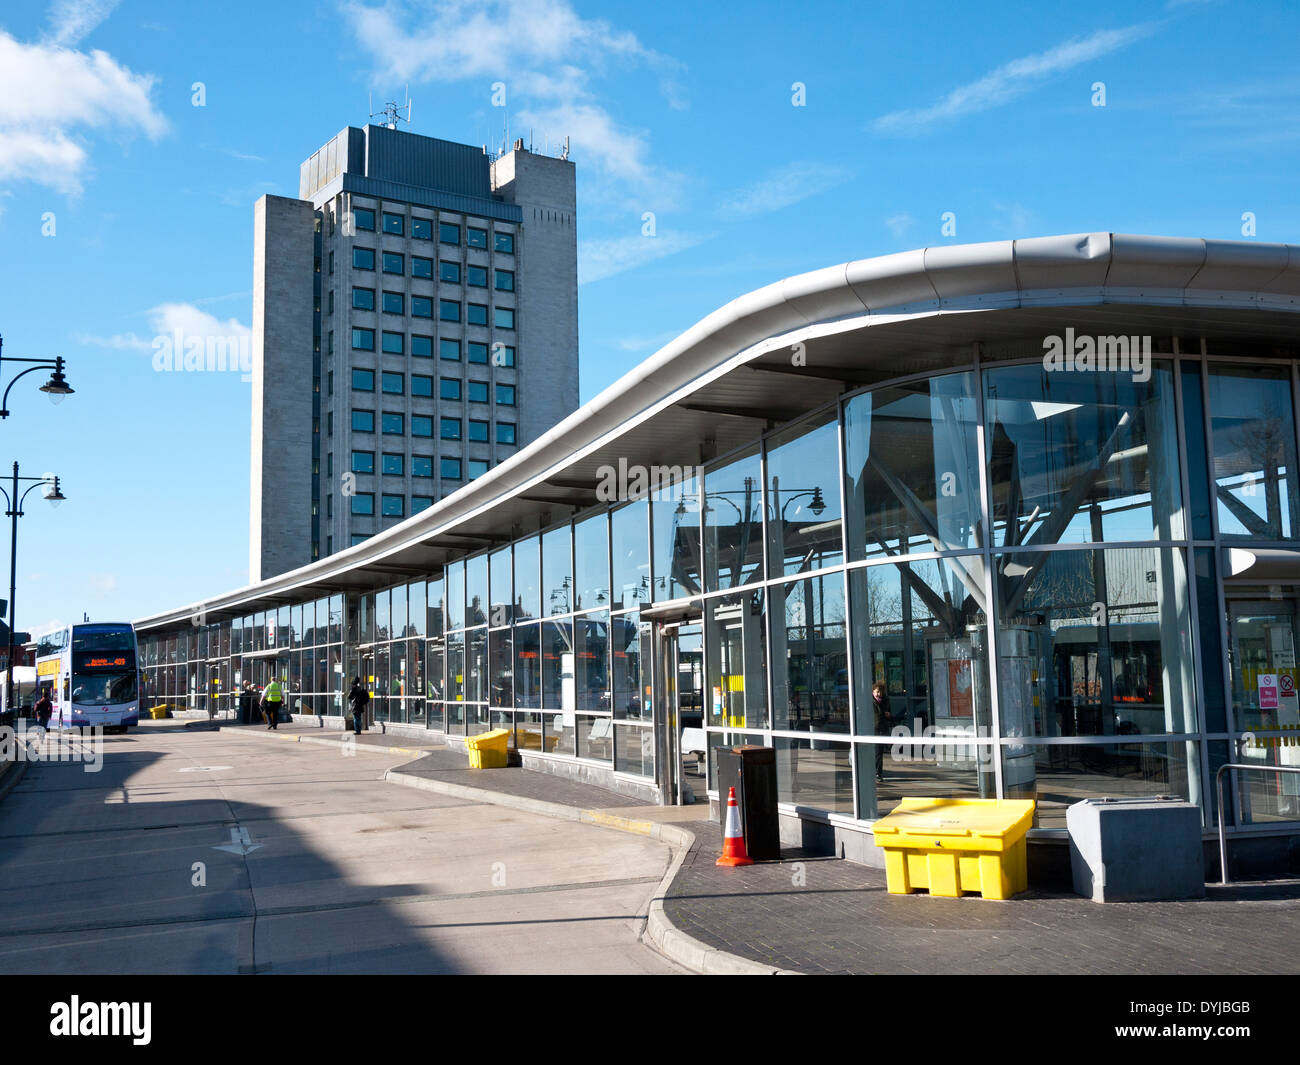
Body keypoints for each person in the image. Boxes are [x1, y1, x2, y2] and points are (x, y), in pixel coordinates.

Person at [872, 681, 890, 783]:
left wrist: (888, 714)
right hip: (873, 729)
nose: (879, 694)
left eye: (881, 692)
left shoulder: (885, 701)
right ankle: (877, 773)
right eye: (877, 692)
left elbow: (887, 714)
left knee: (879, 752)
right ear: (873, 691)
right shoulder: (871, 702)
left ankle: (878, 773)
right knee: (877, 752)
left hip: (882, 729)